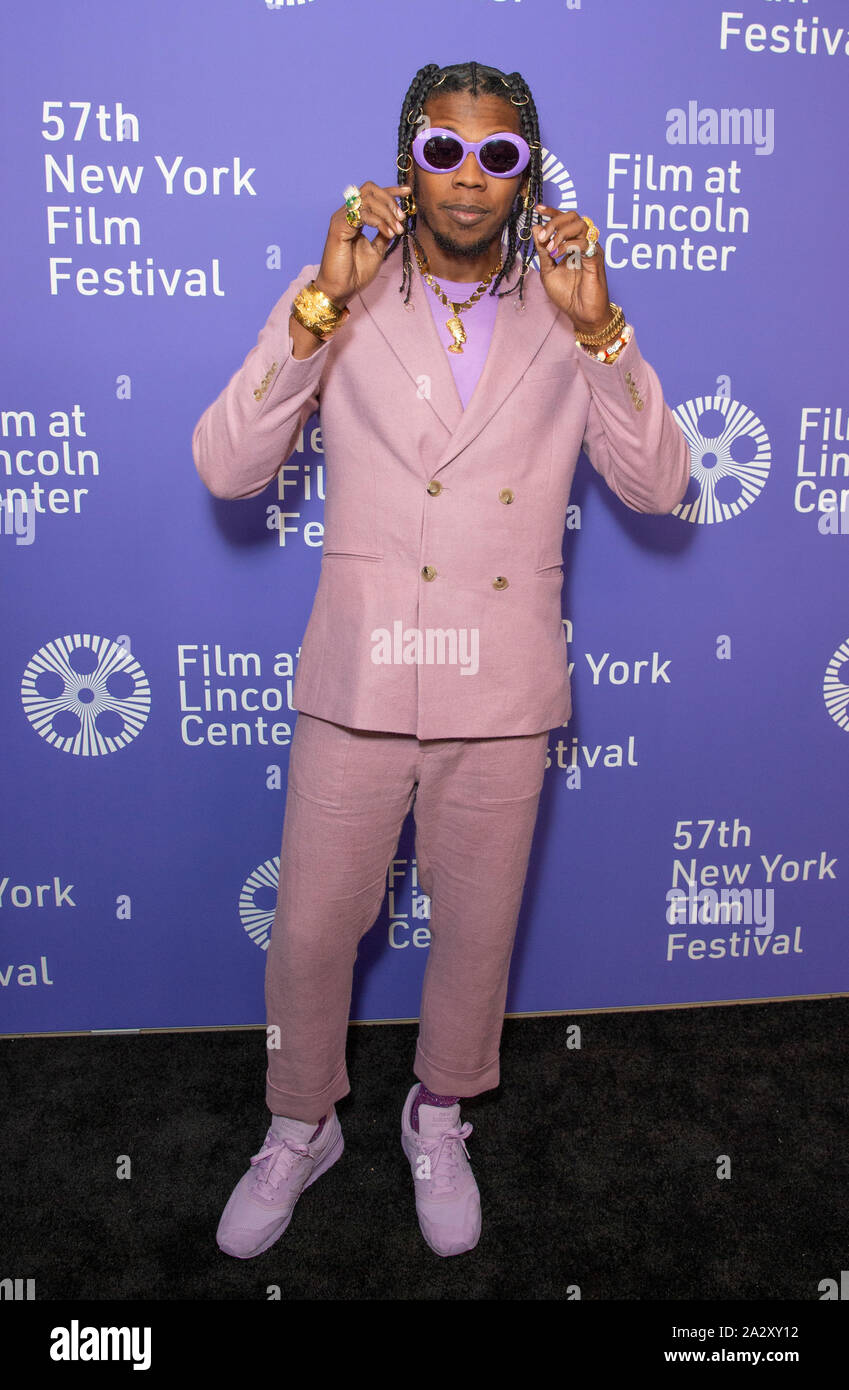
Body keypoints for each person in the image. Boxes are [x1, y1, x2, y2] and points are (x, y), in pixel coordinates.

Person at [192, 60, 690, 1261]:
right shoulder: (339, 293)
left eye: (499, 154)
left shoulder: (569, 310)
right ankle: (300, 1120)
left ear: (526, 172)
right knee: (312, 927)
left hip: (503, 684)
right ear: (407, 158)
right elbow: (227, 466)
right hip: (361, 675)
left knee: (474, 928)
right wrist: (320, 302)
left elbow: (663, 486)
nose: (470, 177)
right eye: (445, 148)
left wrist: (603, 330)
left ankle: (440, 1111)